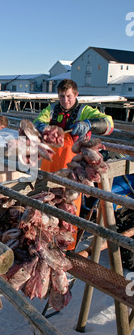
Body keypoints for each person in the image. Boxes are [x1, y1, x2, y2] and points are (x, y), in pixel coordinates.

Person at [33, 78, 114, 249]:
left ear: (76, 94)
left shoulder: (85, 111)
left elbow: (108, 124)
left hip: (73, 169)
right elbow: (37, 121)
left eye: (68, 96)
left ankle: (67, 249)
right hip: (49, 167)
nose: (65, 100)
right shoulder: (52, 109)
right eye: (61, 96)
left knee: (69, 209)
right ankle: (46, 246)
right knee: (45, 207)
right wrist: (41, 128)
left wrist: (90, 124)